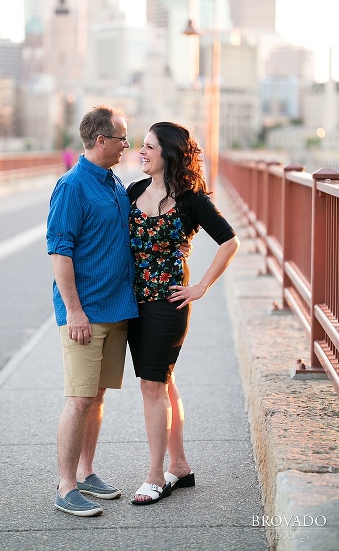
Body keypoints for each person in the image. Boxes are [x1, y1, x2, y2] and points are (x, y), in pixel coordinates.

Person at [127, 122, 239, 505]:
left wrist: (201, 286)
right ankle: (181, 465)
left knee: (153, 385)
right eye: (141, 146)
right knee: (162, 382)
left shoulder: (191, 199)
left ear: (168, 154)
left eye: (148, 147)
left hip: (169, 306)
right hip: (133, 304)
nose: (140, 152)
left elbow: (229, 241)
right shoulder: (134, 191)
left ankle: (156, 476)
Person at [46, 105, 139, 517]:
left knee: (97, 398)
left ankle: (86, 473)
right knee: (79, 398)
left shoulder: (115, 181)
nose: (126, 145)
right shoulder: (72, 186)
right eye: (121, 138)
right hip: (85, 314)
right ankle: (66, 486)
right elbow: (59, 251)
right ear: (101, 140)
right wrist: (74, 312)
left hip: (115, 309)